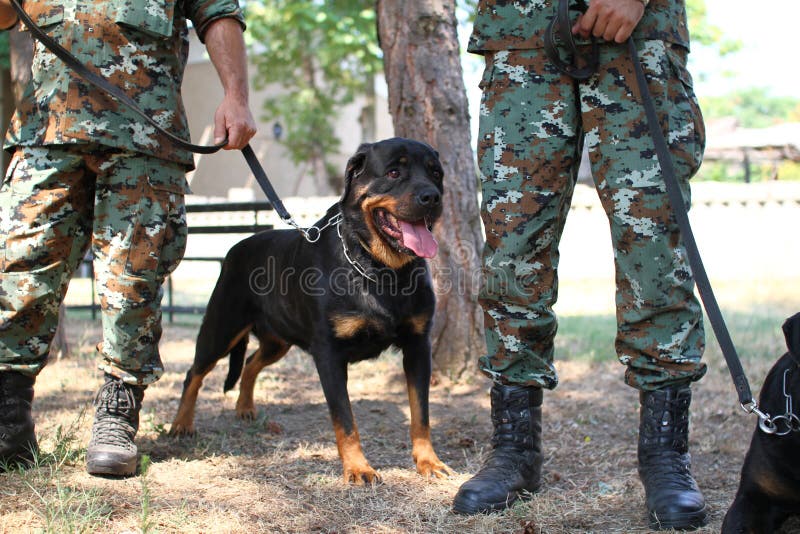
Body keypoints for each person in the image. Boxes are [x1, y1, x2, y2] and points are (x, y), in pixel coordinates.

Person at [453, 0, 708, 530]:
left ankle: (664, 455)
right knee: (512, 254)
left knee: (654, 248)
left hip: (637, 33)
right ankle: (514, 452)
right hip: (521, 36)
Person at [0, 0, 256, 477]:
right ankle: (8, 415)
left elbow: (216, 10)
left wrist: (235, 96)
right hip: (45, 128)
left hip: (146, 131)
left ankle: (117, 414)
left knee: (134, 277)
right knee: (20, 266)